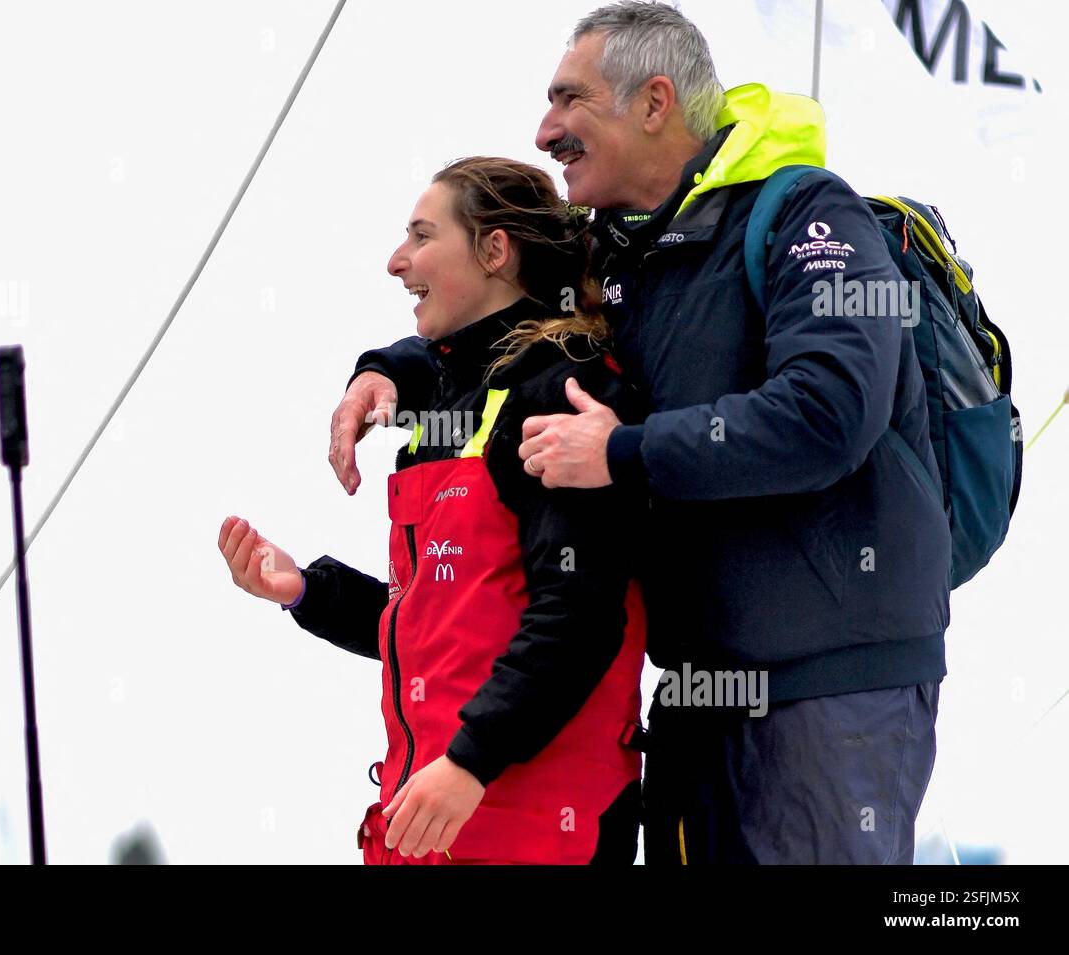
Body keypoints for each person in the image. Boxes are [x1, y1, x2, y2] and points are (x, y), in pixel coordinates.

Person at [330, 2, 949, 864]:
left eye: (568, 99)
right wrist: (390, 369)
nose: (545, 130)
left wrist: (620, 451)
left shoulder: (809, 216)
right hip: (693, 695)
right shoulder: (617, 250)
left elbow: (829, 412)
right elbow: (504, 316)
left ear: (655, 102)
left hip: (827, 685)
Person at [220, 157, 646, 864]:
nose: (396, 261)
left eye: (421, 235)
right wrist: (305, 589)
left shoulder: (561, 395)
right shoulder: (449, 414)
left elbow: (579, 617)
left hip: (536, 831)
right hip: (441, 830)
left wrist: (469, 762)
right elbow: (445, 632)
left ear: (494, 250)